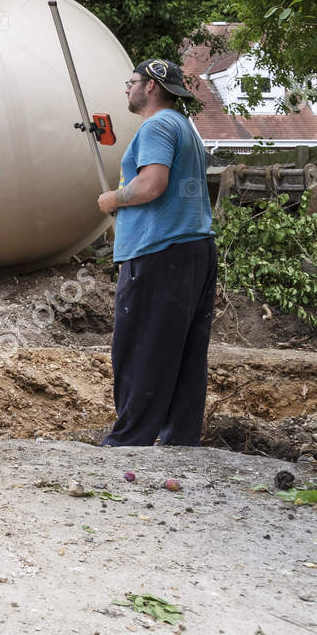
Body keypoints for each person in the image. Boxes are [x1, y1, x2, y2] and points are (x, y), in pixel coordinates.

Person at [96, 58, 216, 447]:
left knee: (142, 345)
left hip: (161, 252)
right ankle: (179, 438)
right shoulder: (184, 126)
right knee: (182, 350)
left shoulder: (158, 125)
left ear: (150, 86)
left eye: (131, 81)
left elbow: (151, 184)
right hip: (194, 249)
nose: (126, 88)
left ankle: (130, 439)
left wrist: (112, 198)